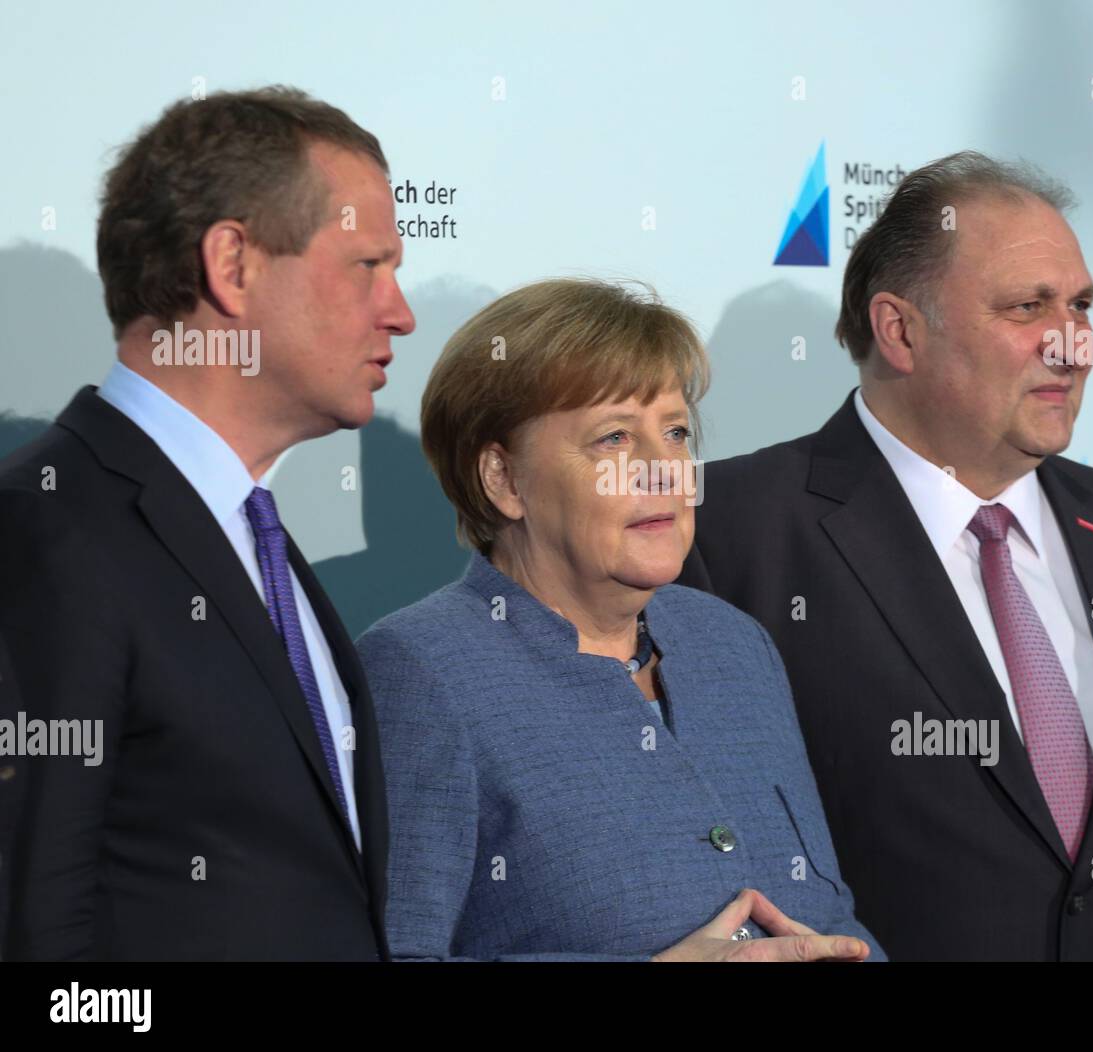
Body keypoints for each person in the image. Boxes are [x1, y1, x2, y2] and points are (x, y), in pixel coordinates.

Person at [679, 151, 1093, 961]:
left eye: (1080, 306)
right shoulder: (727, 533)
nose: (1072, 346)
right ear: (899, 330)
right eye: (1028, 307)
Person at [0, 86, 415, 960]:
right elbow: (34, 924)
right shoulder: (45, 527)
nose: (400, 313)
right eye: (367, 267)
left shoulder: (248, 534)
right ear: (233, 265)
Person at [358, 278, 884, 961]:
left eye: (675, 432)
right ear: (504, 481)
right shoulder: (420, 669)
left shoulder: (734, 644)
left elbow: (828, 913)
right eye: (613, 439)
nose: (666, 470)